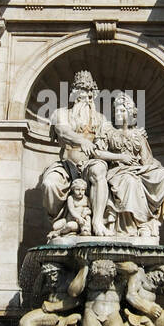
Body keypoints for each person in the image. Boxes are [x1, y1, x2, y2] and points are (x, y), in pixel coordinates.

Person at [40, 70, 112, 236]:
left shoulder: (101, 119)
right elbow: (63, 132)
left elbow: (112, 139)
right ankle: (56, 221)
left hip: (91, 162)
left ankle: (97, 221)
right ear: (72, 93)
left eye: (87, 92)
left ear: (92, 95)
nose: (83, 96)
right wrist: (83, 141)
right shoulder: (61, 113)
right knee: (49, 184)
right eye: (79, 91)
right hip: (66, 166)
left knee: (99, 170)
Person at [99, 92, 164, 239]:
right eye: (116, 110)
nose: (118, 113)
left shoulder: (138, 135)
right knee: (130, 181)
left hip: (137, 169)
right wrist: (120, 157)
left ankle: (148, 221)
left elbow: (147, 160)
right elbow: (98, 153)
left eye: (122, 110)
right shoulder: (108, 131)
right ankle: (137, 225)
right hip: (117, 170)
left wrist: (151, 167)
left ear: (130, 112)